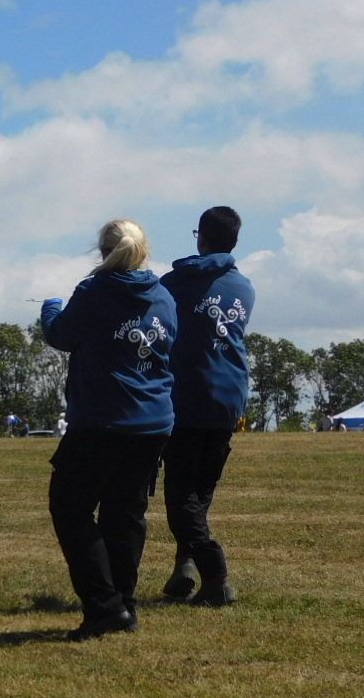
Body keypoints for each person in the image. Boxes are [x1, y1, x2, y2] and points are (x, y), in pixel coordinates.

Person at [41, 218, 177, 642]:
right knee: (126, 515)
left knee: (70, 507)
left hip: (101, 420)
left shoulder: (93, 292)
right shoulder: (164, 296)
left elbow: (61, 335)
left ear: (103, 253)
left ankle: (104, 607)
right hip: (153, 422)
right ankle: (125, 605)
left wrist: (49, 307)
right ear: (143, 252)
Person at [158, 206, 255, 608]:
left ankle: (214, 574)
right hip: (230, 398)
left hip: (187, 397)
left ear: (201, 237)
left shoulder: (173, 284)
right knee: (201, 490)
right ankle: (185, 566)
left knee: (180, 493)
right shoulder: (244, 286)